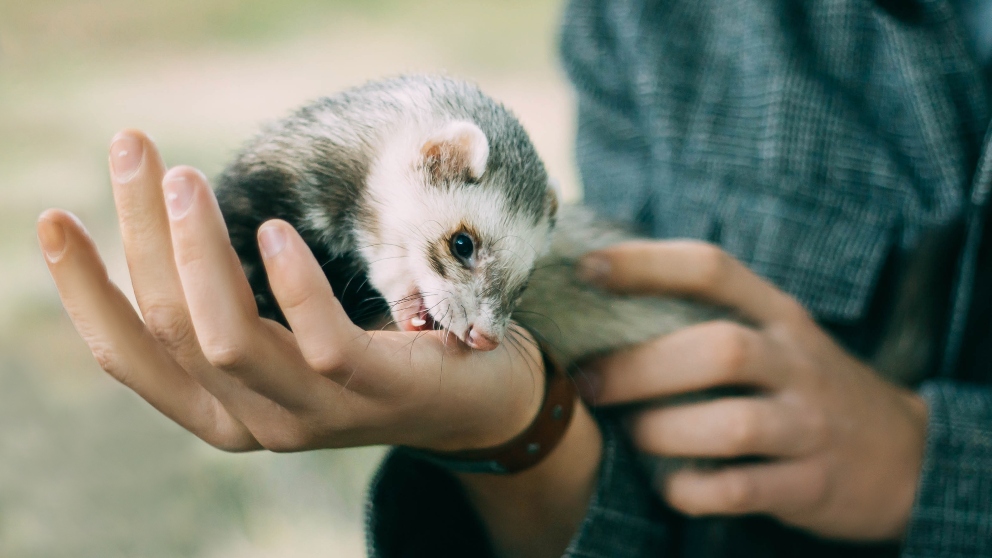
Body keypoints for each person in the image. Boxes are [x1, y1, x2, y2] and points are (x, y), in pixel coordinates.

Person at [38, 0, 992, 556]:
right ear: (434, 163)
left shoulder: (452, 214)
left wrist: (936, 466)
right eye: (464, 251)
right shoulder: (653, 23)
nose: (483, 323)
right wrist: (509, 427)